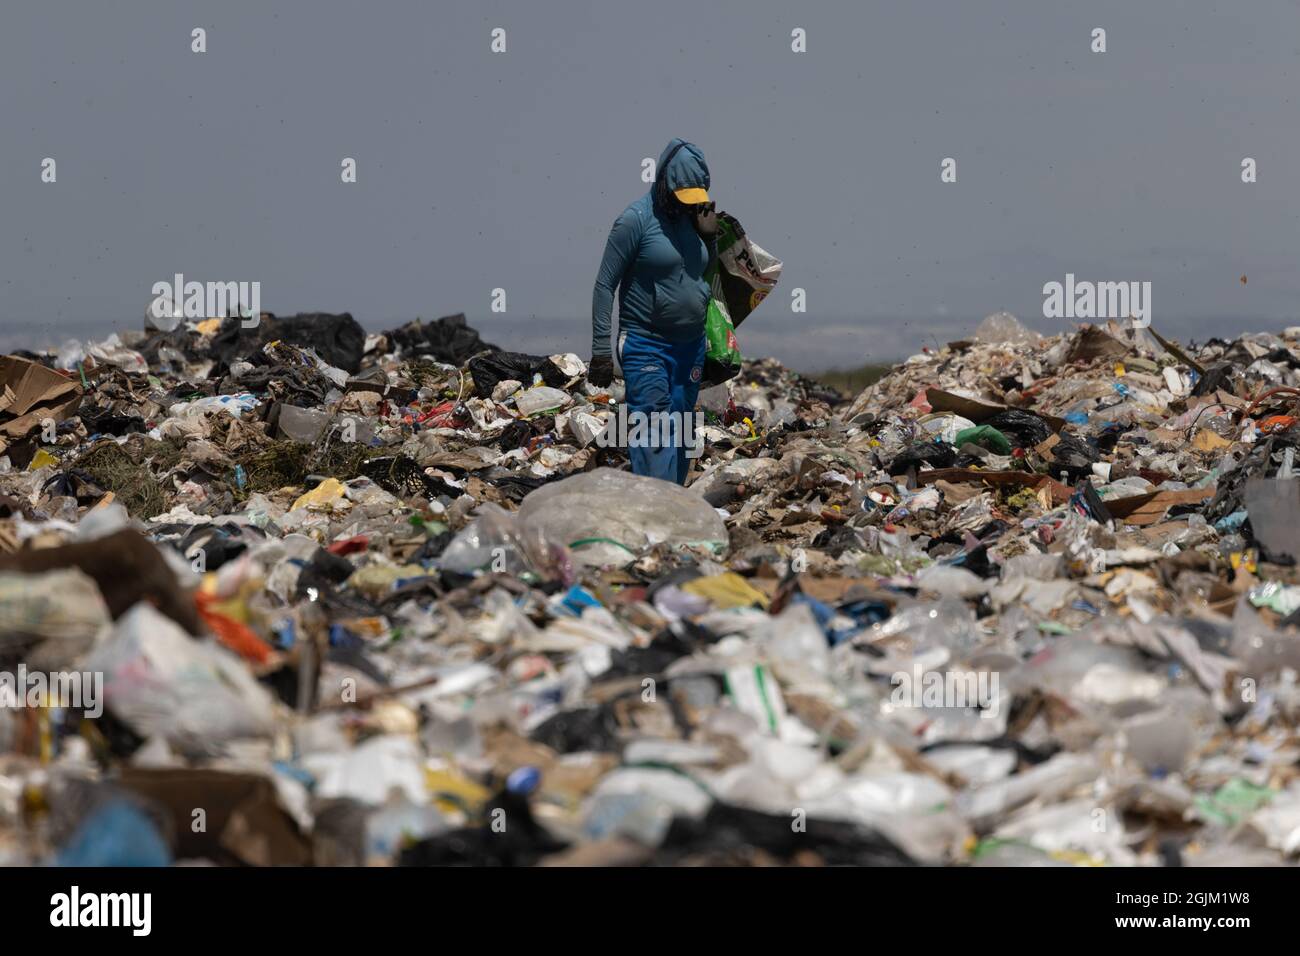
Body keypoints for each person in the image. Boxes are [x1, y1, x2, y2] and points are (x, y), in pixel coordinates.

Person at [589, 138, 718, 484]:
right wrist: (601, 350)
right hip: (646, 342)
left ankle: (672, 502)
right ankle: (654, 506)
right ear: (664, 183)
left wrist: (710, 239)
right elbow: (604, 285)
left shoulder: (695, 217)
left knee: (681, 428)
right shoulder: (635, 221)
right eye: (681, 197)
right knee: (654, 426)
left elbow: (701, 275)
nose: (687, 204)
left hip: (690, 346)